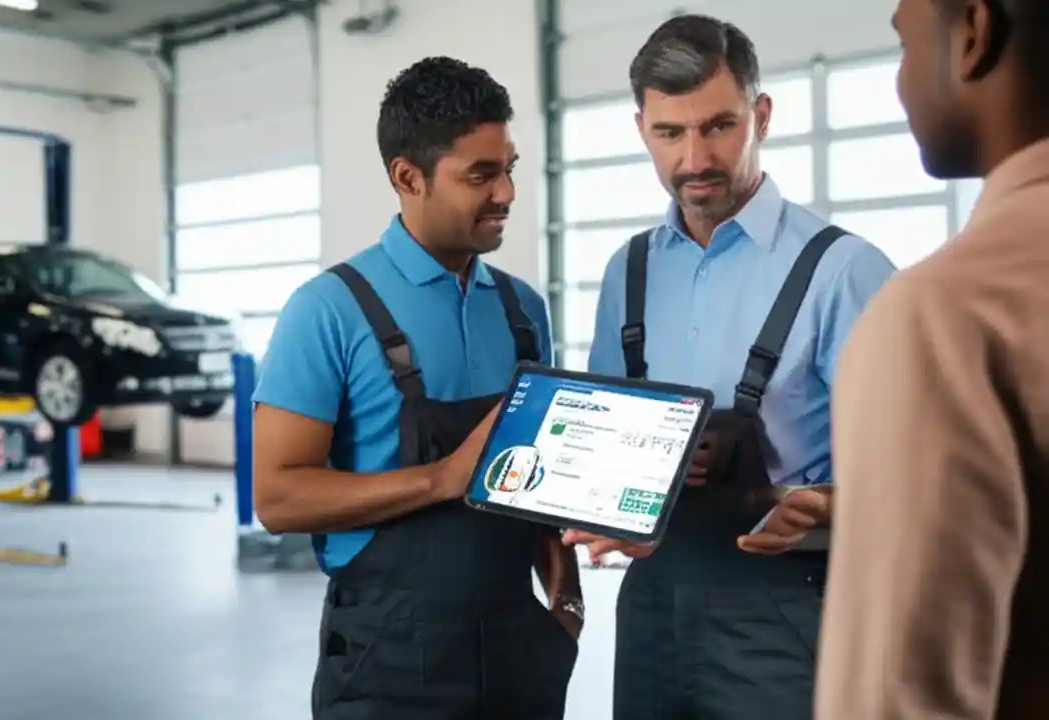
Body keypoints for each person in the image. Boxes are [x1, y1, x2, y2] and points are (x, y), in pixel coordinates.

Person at [559, 14, 897, 720]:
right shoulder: (631, 270)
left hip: (787, 611)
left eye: (718, 126)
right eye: (669, 134)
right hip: (652, 604)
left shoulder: (846, 273)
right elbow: (604, 446)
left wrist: (816, 508)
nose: (695, 159)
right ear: (641, 129)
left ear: (761, 115)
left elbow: (914, 478)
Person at [252, 56, 582, 719]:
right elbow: (278, 496)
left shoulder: (522, 311)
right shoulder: (329, 310)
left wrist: (566, 596)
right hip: (388, 659)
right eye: (480, 176)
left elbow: (536, 480)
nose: (507, 193)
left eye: (509, 167)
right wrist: (440, 478)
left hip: (518, 648)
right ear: (408, 177)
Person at [816, 1, 1049, 717]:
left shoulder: (946, 315)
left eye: (904, 43)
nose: (903, 79)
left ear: (973, 33)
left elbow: (896, 698)